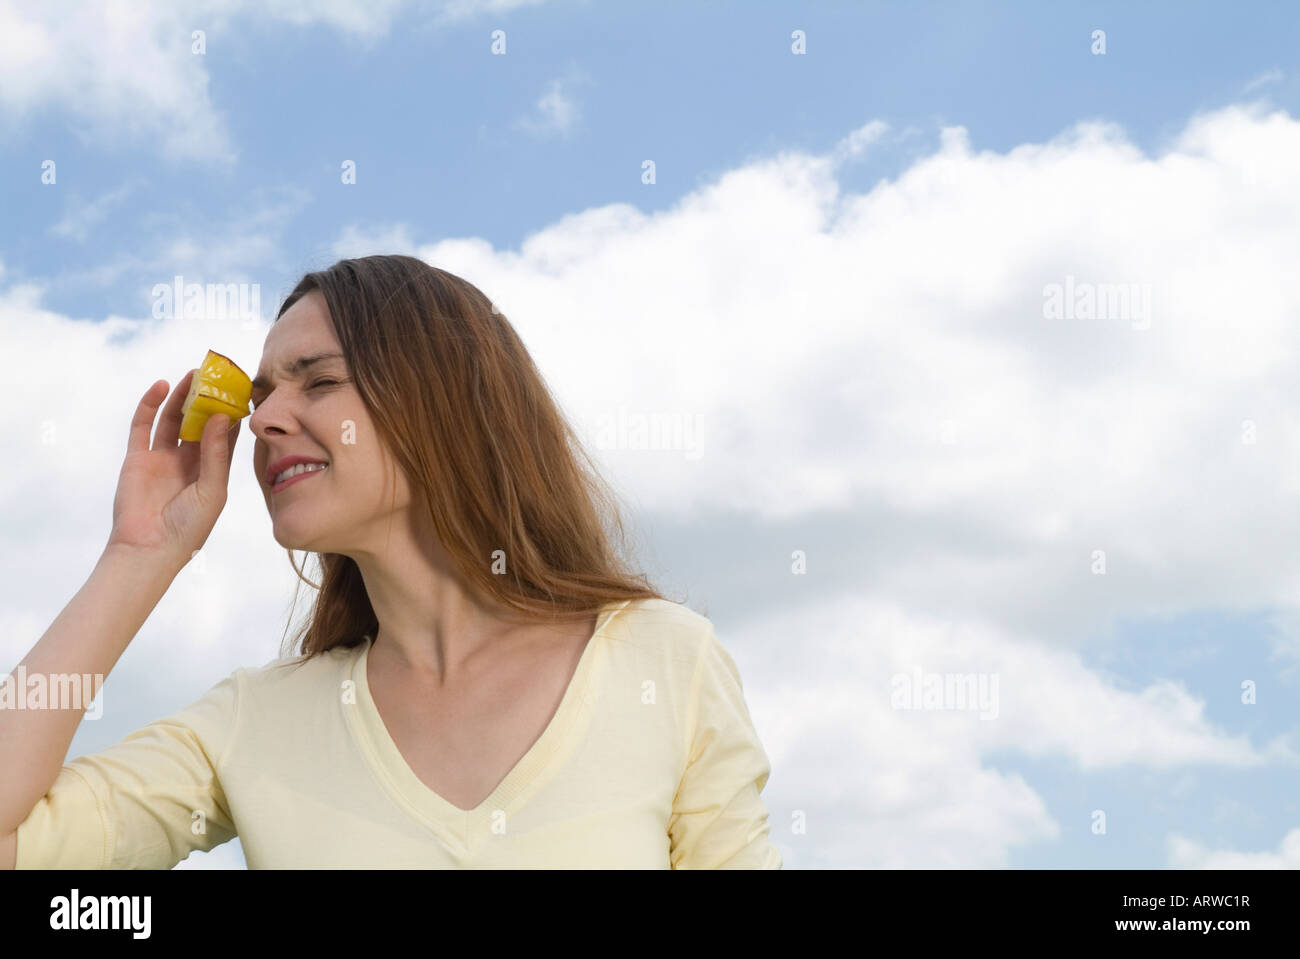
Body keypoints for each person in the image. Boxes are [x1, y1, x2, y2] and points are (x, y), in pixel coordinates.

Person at [0, 254, 782, 869]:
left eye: (320, 380)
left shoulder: (666, 662)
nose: (262, 419)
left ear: (446, 399)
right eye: (262, 395)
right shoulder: (255, 722)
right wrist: (138, 555)